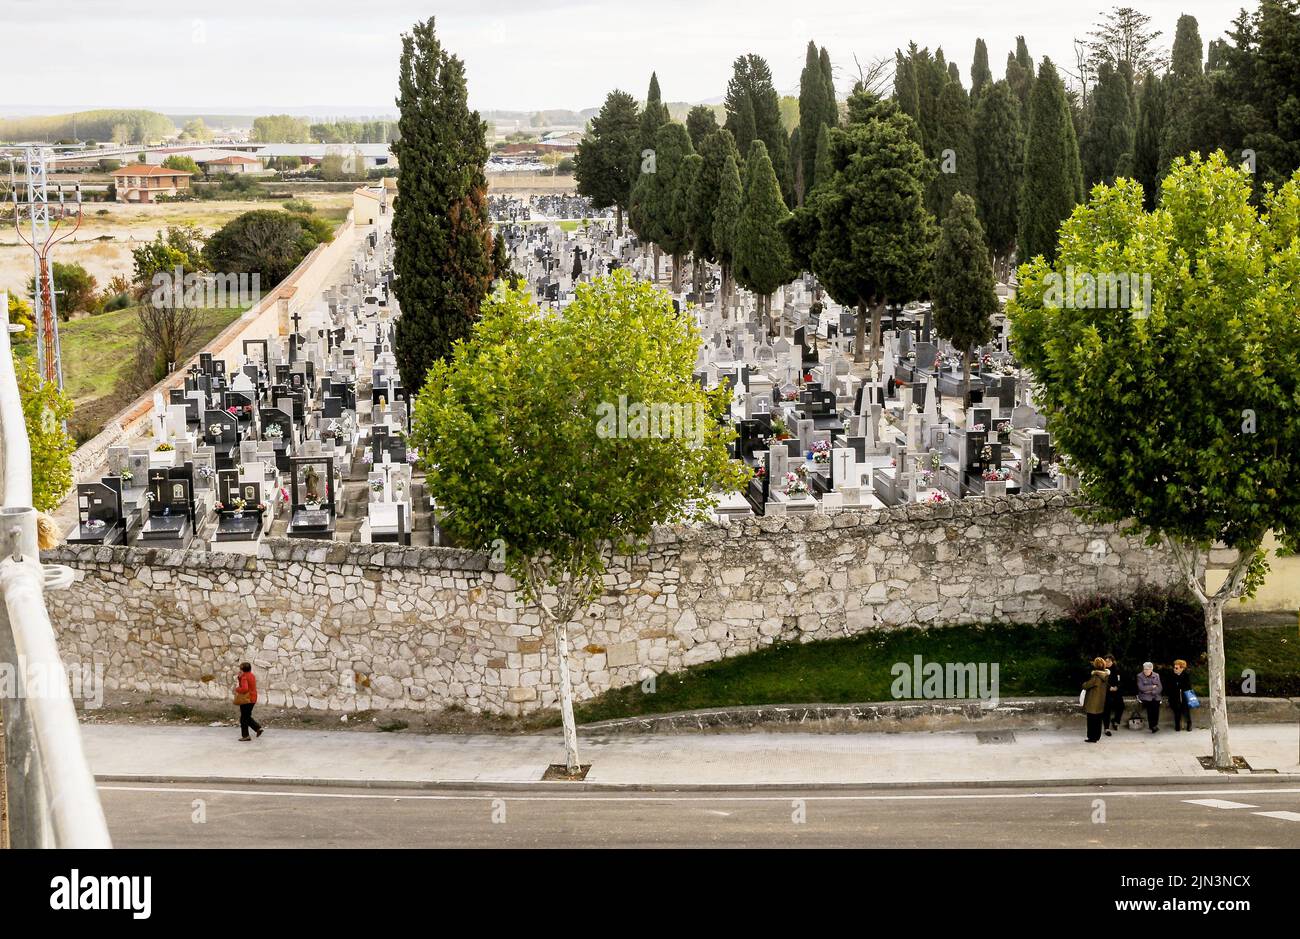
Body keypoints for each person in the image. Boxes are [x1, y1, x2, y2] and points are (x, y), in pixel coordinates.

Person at [1081, 657, 1110, 743]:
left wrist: (1084, 683)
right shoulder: (1105, 676)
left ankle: (1091, 737)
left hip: (1093, 702)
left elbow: (1086, 686)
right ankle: (1097, 736)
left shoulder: (1096, 677)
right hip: (1100, 701)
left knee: (1091, 720)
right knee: (1098, 720)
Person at [234, 662, 263, 742]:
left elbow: (244, 689)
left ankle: (246, 736)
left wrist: (236, 689)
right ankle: (258, 728)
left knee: (243, 718)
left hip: (247, 699)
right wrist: (239, 677)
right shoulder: (251, 675)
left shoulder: (244, 677)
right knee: (246, 716)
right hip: (253, 698)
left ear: (242, 669)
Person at [1136, 661, 1162, 733]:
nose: (1146, 671)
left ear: (1151, 669)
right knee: (1150, 707)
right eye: (1144, 669)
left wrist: (1152, 691)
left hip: (1155, 695)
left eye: (1147, 669)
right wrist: (1152, 686)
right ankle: (1152, 726)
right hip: (1145, 696)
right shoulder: (1139, 676)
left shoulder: (1156, 675)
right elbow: (1141, 688)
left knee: (1156, 707)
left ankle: (1155, 725)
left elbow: (1160, 687)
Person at [1168, 658, 1194, 732]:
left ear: (1181, 668)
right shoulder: (1172, 675)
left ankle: (1189, 724)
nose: (1174, 669)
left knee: (1186, 710)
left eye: (1176, 668)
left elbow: (1188, 686)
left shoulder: (1186, 675)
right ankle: (1177, 725)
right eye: (1174, 667)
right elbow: (1169, 686)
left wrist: (1179, 686)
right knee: (1177, 710)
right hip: (1174, 696)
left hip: (1184, 696)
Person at [1103, 654, 1124, 735]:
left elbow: (1120, 680)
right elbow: (1103, 681)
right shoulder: (1103, 670)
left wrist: (1117, 687)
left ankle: (1116, 721)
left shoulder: (1117, 669)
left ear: (1112, 661)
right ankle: (1106, 728)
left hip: (1116, 691)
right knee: (1107, 708)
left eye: (1109, 661)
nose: (1108, 663)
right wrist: (1109, 688)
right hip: (1106, 692)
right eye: (1106, 661)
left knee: (1121, 706)